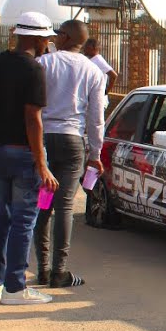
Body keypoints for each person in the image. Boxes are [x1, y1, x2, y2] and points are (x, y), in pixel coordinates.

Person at [0, 11, 59, 305]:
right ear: (37, 38)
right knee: (23, 220)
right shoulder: (33, 69)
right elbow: (33, 118)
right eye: (47, 38)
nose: (48, 43)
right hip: (23, 154)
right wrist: (41, 163)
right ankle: (15, 288)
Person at [34, 19, 106, 288]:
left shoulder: (44, 64)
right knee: (64, 206)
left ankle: (41, 269)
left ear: (65, 37)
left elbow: (33, 107)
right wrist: (95, 152)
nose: (53, 39)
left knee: (44, 203)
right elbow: (96, 118)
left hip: (44, 141)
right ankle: (59, 271)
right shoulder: (93, 71)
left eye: (57, 35)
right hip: (73, 143)